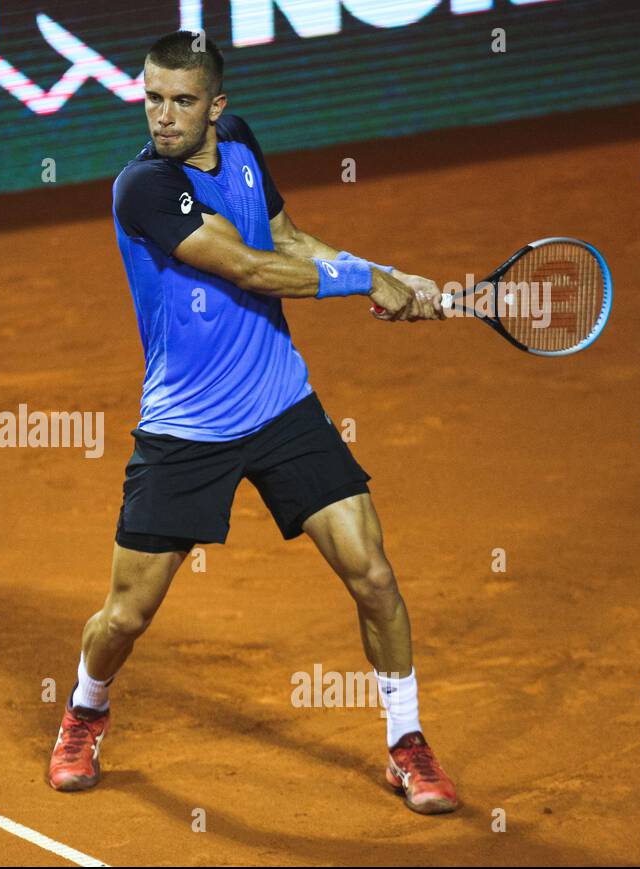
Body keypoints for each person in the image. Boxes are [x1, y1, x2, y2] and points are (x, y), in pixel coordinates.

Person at [46, 30, 460, 815]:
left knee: (372, 574)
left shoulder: (238, 144)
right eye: (152, 97)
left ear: (217, 107)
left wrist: (389, 275)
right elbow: (248, 266)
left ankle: (407, 744)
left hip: (280, 405)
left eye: (182, 101)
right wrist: (367, 279)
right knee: (127, 614)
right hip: (185, 429)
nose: (162, 116)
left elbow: (289, 239)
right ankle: (85, 709)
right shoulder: (142, 187)